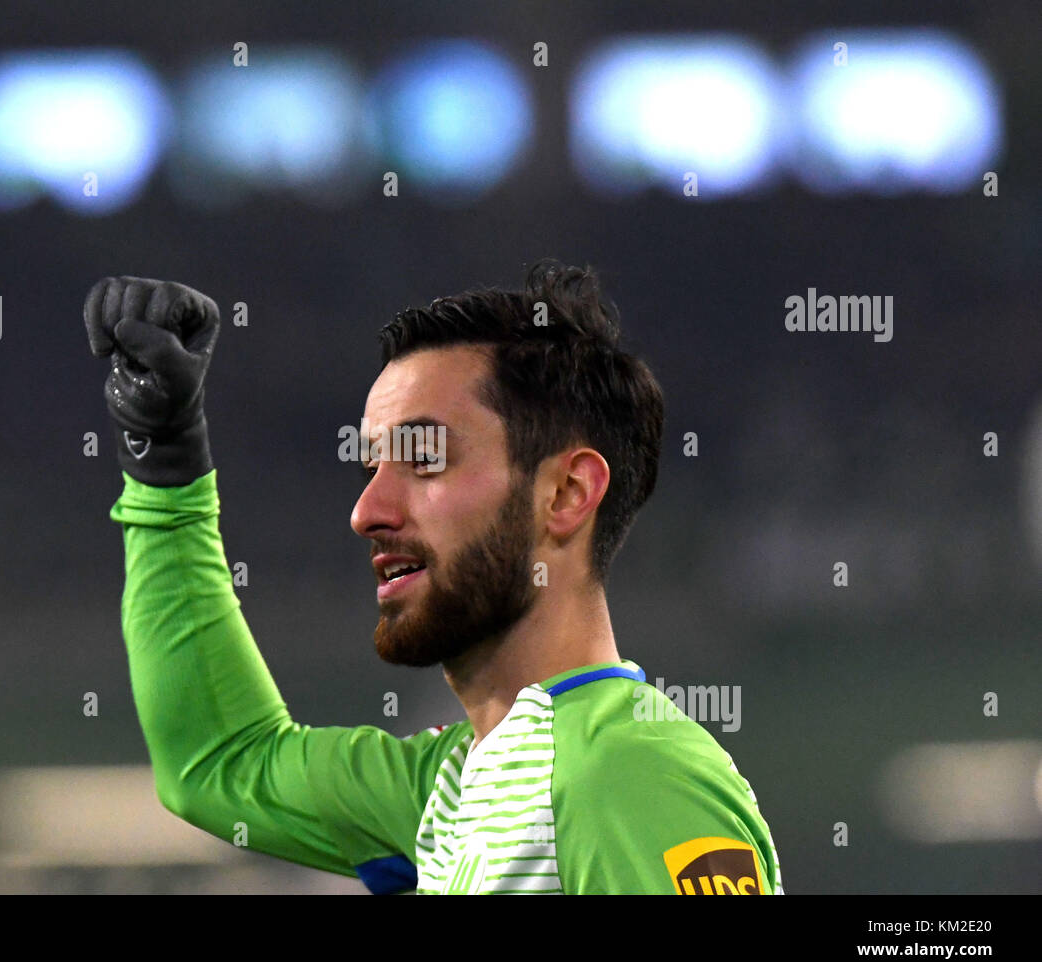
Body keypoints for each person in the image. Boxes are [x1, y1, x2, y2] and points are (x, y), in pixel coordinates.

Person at [83, 259, 783, 894]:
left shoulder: (628, 776)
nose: (367, 511)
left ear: (566, 495)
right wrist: (166, 467)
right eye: (370, 468)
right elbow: (219, 763)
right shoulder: (446, 788)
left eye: (424, 462)